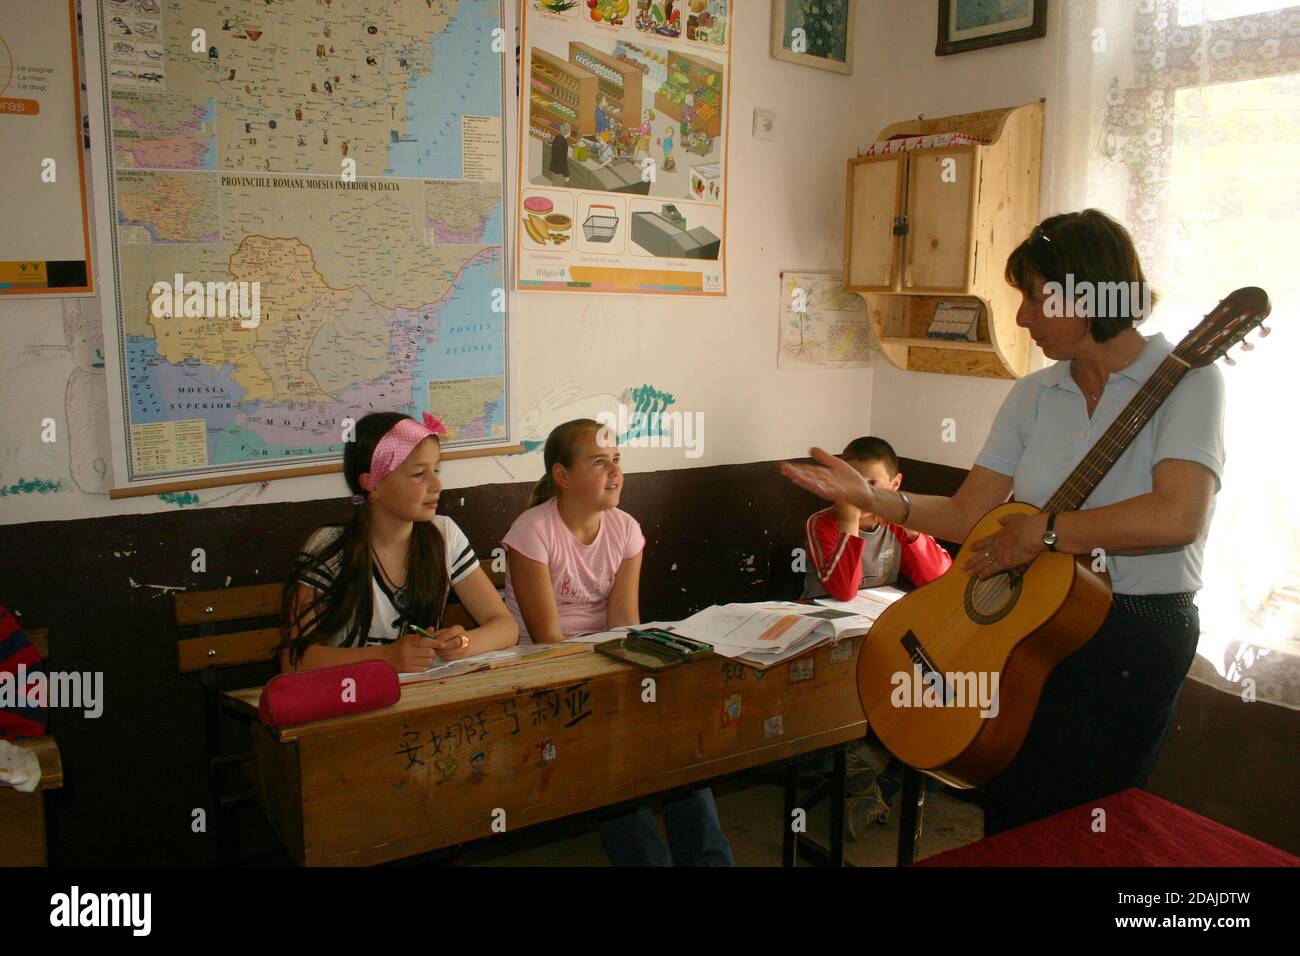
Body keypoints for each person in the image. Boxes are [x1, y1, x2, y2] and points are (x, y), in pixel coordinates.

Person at [781, 209, 1225, 835]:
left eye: (1035, 297)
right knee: (1012, 808)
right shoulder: (1035, 394)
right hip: (1031, 620)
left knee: (1091, 822)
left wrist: (1044, 533)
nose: (1021, 318)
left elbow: (1177, 515)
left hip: (1135, 628)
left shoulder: (1188, 380)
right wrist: (875, 501)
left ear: (1090, 292)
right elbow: (968, 514)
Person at [503, 418, 734, 865]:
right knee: (614, 756)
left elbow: (626, 624)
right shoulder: (532, 531)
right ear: (562, 476)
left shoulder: (626, 528)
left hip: (610, 657)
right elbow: (549, 640)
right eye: (598, 462)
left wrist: (639, 677)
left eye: (617, 460)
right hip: (550, 673)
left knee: (677, 742)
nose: (615, 472)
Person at [278, 412, 517, 673]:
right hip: (352, 700)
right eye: (418, 474)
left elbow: (505, 627)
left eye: (435, 470)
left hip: (421, 696)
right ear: (373, 484)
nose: (437, 484)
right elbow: (294, 661)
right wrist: (387, 656)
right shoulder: (330, 545)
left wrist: (463, 643)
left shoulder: (444, 533)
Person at [803, 436, 952, 601]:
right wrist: (849, 521)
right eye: (853, 482)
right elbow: (843, 592)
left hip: (876, 616)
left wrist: (909, 526)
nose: (862, 493)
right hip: (823, 617)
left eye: (873, 483)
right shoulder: (822, 523)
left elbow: (939, 579)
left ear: (894, 485)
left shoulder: (896, 525)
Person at [548, 122, 571, 186]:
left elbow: (551, 142)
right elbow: (563, 160)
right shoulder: (564, 142)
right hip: (559, 171)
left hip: (552, 168)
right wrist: (566, 175)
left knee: (555, 183)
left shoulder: (557, 137)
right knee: (559, 186)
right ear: (568, 132)